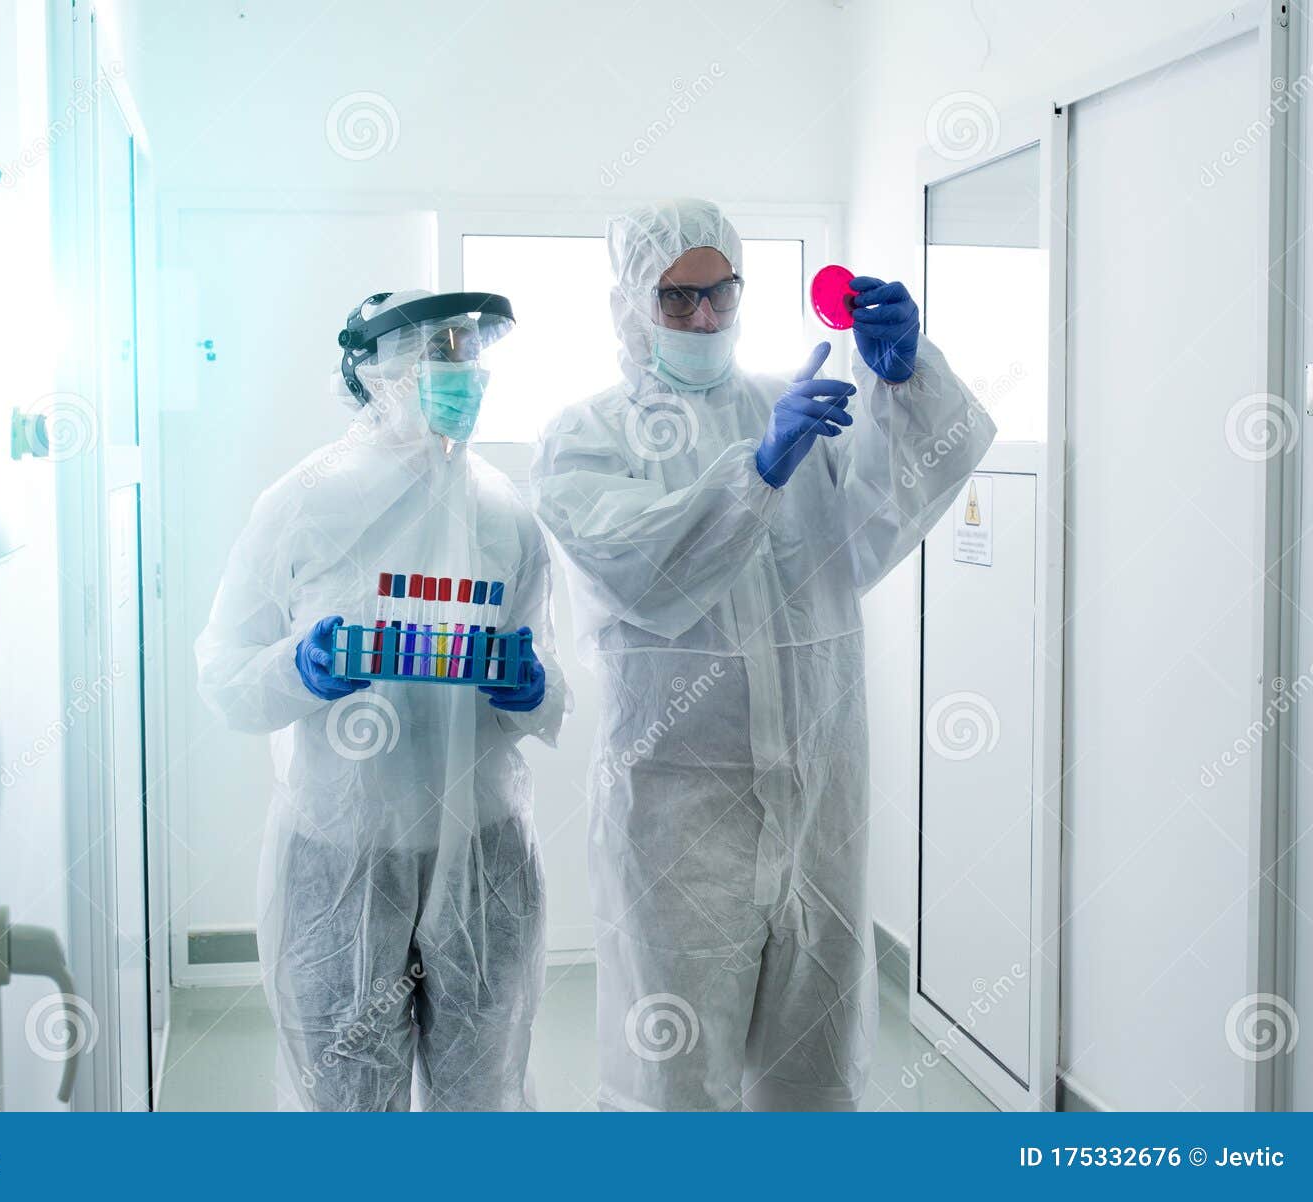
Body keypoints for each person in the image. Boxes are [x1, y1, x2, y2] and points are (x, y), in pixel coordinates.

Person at [532, 198, 995, 1111]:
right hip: (675, 806)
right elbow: (639, 567)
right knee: (674, 1073)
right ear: (632, 303)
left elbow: (879, 523)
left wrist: (905, 383)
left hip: (819, 794)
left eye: (721, 293)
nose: (705, 318)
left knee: (811, 1064)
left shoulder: (799, 407)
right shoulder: (588, 434)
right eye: (677, 299)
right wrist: (758, 471)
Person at [195, 289, 569, 1111]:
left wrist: (531, 690)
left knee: (485, 1096)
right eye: (438, 350)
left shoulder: (507, 514)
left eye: (471, 351)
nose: (461, 371)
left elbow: (546, 685)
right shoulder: (304, 503)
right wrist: (302, 669)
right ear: (372, 371)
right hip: (343, 854)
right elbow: (224, 674)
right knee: (347, 1104)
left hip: (487, 854)